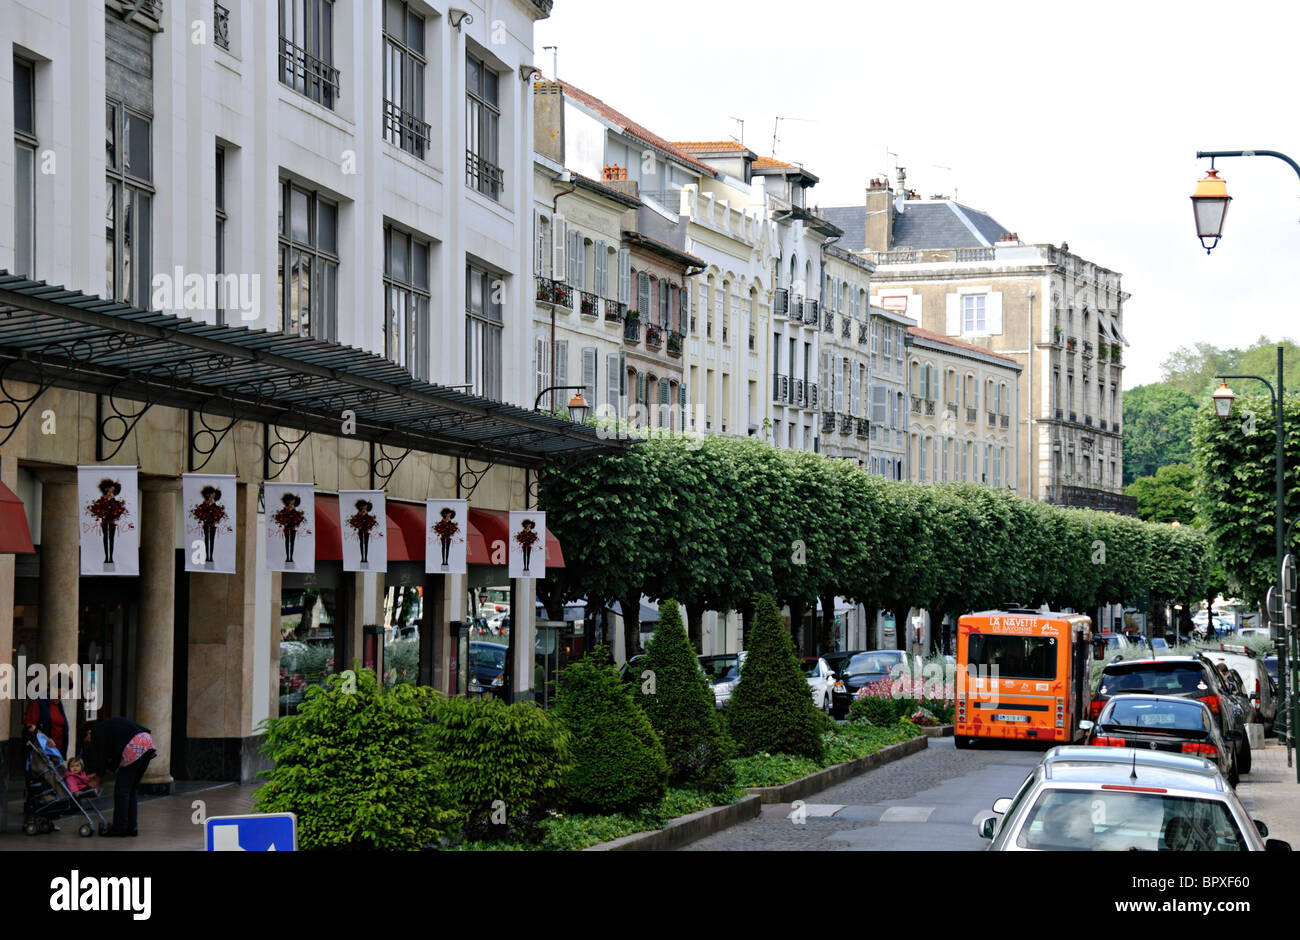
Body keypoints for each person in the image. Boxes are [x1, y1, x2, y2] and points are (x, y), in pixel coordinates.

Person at [82, 717, 156, 837]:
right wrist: (101, 773)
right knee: (130, 789)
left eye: (87, 740)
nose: (89, 743)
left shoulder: (97, 732)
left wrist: (97, 778)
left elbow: (103, 757)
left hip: (135, 745)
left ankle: (119, 828)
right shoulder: (108, 727)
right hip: (147, 742)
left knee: (121, 791)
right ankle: (131, 827)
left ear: (89, 732)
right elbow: (115, 756)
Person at [23, 688, 69, 757]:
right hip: (42, 753)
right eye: (61, 693)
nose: (62, 696)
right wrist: (46, 739)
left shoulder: (59, 704)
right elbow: (30, 726)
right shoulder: (38, 701)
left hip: (57, 752)